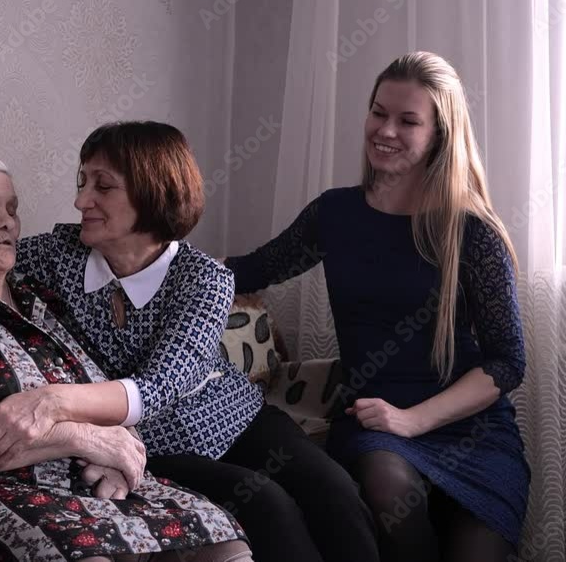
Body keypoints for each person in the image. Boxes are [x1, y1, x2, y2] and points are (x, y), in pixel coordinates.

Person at [0, 123, 380, 562]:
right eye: (81, 181)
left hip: (226, 416)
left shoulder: (204, 279)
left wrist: (50, 402)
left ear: (150, 194)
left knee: (333, 491)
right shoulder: (54, 257)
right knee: (268, 505)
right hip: (145, 444)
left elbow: (159, 386)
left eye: (101, 186)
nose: (79, 199)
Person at [0, 151, 253, 562]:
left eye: (13, 210)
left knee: (217, 535)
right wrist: (76, 437)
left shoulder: (41, 301)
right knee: (78, 548)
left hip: (66, 485)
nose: (9, 223)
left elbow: (111, 394)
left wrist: (119, 455)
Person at [224, 51, 530, 562]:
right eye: (378, 111)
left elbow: (507, 362)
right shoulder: (336, 214)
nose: (384, 129)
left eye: (407, 120)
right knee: (387, 484)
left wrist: (413, 421)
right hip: (374, 423)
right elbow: (251, 270)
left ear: (440, 135)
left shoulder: (471, 231)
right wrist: (150, 255)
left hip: (470, 433)